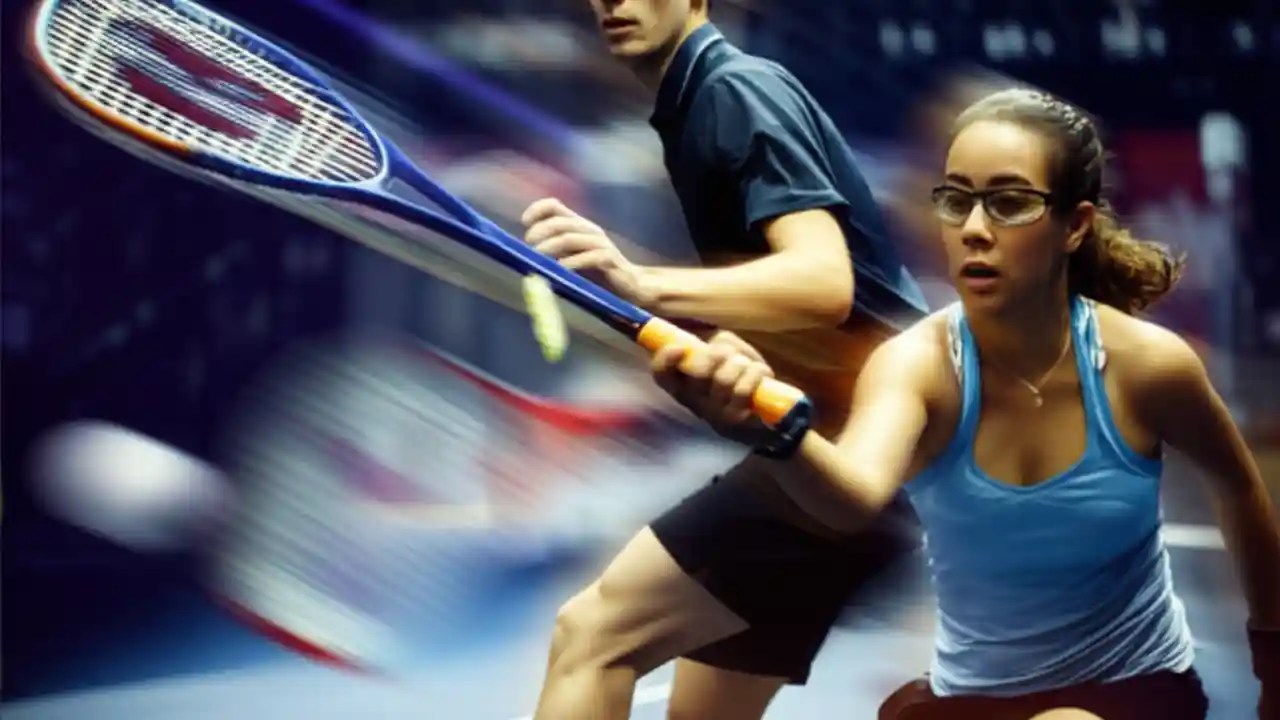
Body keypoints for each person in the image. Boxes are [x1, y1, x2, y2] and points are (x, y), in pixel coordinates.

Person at [650, 88, 1280, 719]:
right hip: (969, 702)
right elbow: (851, 497)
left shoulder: (1150, 364)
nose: (974, 230)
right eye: (956, 201)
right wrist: (771, 425)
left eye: (1008, 203)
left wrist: (1274, 666)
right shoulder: (914, 363)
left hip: (1134, 693)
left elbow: (1241, 489)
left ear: (1076, 225)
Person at [520, 0, 930, 717]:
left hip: (851, 457)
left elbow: (823, 282)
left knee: (591, 639)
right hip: (865, 464)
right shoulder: (693, 107)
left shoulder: (731, 89)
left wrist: (644, 282)